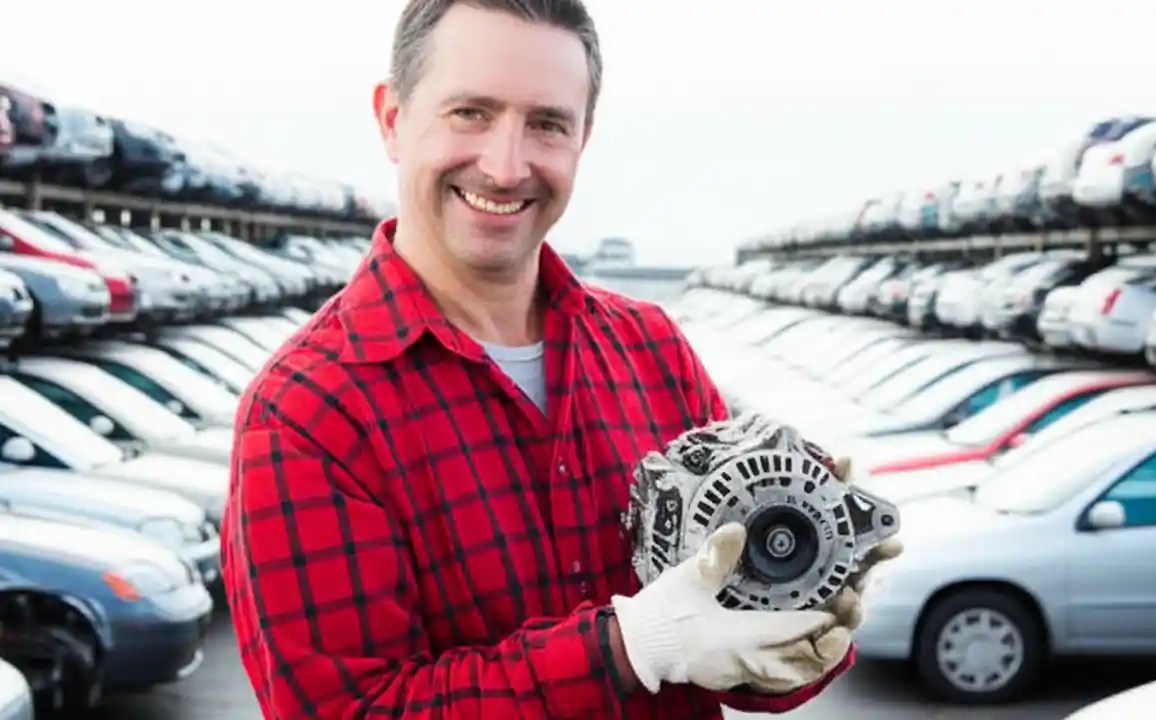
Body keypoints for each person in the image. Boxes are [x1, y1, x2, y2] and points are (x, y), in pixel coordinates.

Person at [221, 1, 902, 718]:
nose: (506, 165)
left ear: (582, 139)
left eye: (546, 124)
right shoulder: (307, 412)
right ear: (392, 118)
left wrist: (806, 606)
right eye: (470, 113)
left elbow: (734, 657)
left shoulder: (652, 350)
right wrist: (627, 648)